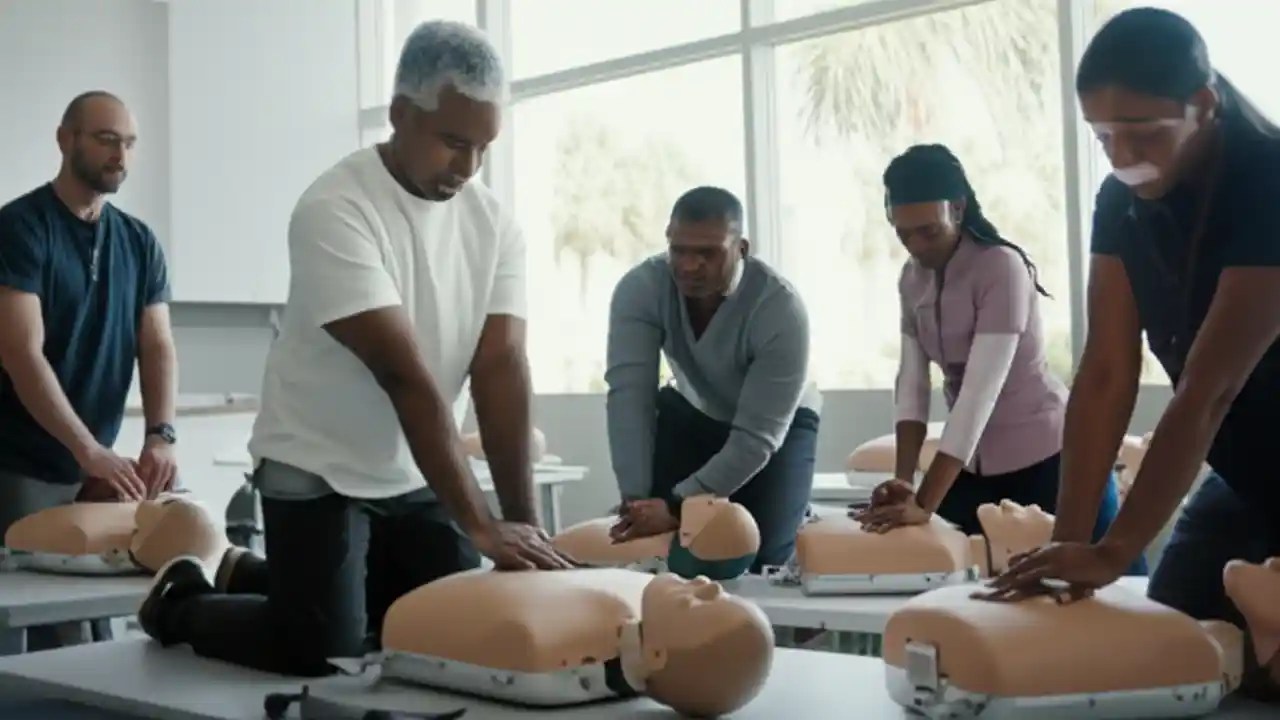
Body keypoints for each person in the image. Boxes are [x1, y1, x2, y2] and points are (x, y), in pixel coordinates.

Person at [135, 21, 573, 676]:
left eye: (483, 147)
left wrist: (524, 526)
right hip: (317, 464)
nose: (469, 167)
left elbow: (502, 367)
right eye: (454, 142)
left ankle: (256, 573)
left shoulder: (494, 225)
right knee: (327, 651)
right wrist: (482, 529)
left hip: (415, 469)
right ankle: (183, 599)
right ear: (400, 114)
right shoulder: (335, 207)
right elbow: (405, 374)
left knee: (433, 637)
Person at [987, 8, 1280, 650]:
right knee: (1172, 641)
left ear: (1202, 105)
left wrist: (1117, 548)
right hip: (1248, 475)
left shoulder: (1267, 180)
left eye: (1143, 135)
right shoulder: (1120, 201)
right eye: (1103, 137)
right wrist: (1070, 545)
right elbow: (1106, 373)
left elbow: (1209, 388)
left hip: (1244, 431)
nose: (1123, 159)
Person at [852, 145, 1141, 578]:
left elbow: (977, 395)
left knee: (1116, 589)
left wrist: (925, 502)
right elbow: (912, 383)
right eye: (903, 233)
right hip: (974, 468)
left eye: (928, 231)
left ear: (958, 208)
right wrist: (904, 482)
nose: (916, 246)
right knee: (982, 594)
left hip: (1053, 460)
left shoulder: (1001, 267)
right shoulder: (911, 278)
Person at [0, 91, 177, 651]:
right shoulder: (20, 229)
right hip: (19, 460)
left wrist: (160, 434)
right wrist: (85, 448)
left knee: (85, 628)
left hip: (92, 464)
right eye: (106, 139)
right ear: (65, 139)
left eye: (128, 143)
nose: (120, 154)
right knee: (23, 618)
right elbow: (21, 353)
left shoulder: (140, 241)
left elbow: (157, 345)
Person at [605, 186, 820, 572]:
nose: (688, 266)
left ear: (741, 248)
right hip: (696, 413)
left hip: (775, 430)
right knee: (663, 549)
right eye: (679, 250)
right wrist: (637, 501)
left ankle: (795, 511)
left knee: (756, 556)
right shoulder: (641, 288)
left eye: (707, 253)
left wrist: (676, 505)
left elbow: (756, 439)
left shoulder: (781, 309)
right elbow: (629, 397)